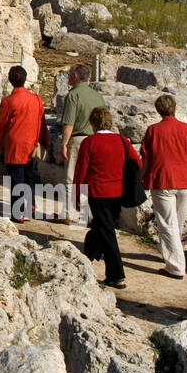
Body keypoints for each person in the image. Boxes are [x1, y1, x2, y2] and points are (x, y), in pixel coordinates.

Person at [74, 107, 141, 289]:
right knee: (100, 229)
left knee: (107, 233)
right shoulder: (122, 141)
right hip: (117, 192)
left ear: (93, 122)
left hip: (98, 192)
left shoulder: (90, 142)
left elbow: (81, 171)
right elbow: (137, 162)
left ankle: (116, 275)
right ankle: (86, 257)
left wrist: (76, 196)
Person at [139, 94, 187, 279]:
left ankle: (175, 266)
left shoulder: (153, 130)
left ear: (158, 110)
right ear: (174, 107)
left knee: (167, 224)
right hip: (184, 180)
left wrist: (140, 178)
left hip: (162, 180)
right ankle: (172, 255)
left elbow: (146, 159)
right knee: (178, 223)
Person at [0, 65, 50, 223]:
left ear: (10, 81)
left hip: (15, 145)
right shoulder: (36, 99)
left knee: (16, 179)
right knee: (29, 176)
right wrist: (45, 141)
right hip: (32, 143)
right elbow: (42, 123)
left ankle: (18, 212)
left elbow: (1, 125)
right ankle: (30, 204)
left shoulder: (8, 101)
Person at [59, 63, 106, 215]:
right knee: (90, 178)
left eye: (70, 74)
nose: (68, 76)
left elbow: (69, 123)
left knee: (71, 177)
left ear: (76, 76)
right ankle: (89, 213)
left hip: (79, 139)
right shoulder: (98, 96)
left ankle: (69, 213)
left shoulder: (73, 95)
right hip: (96, 139)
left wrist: (64, 143)